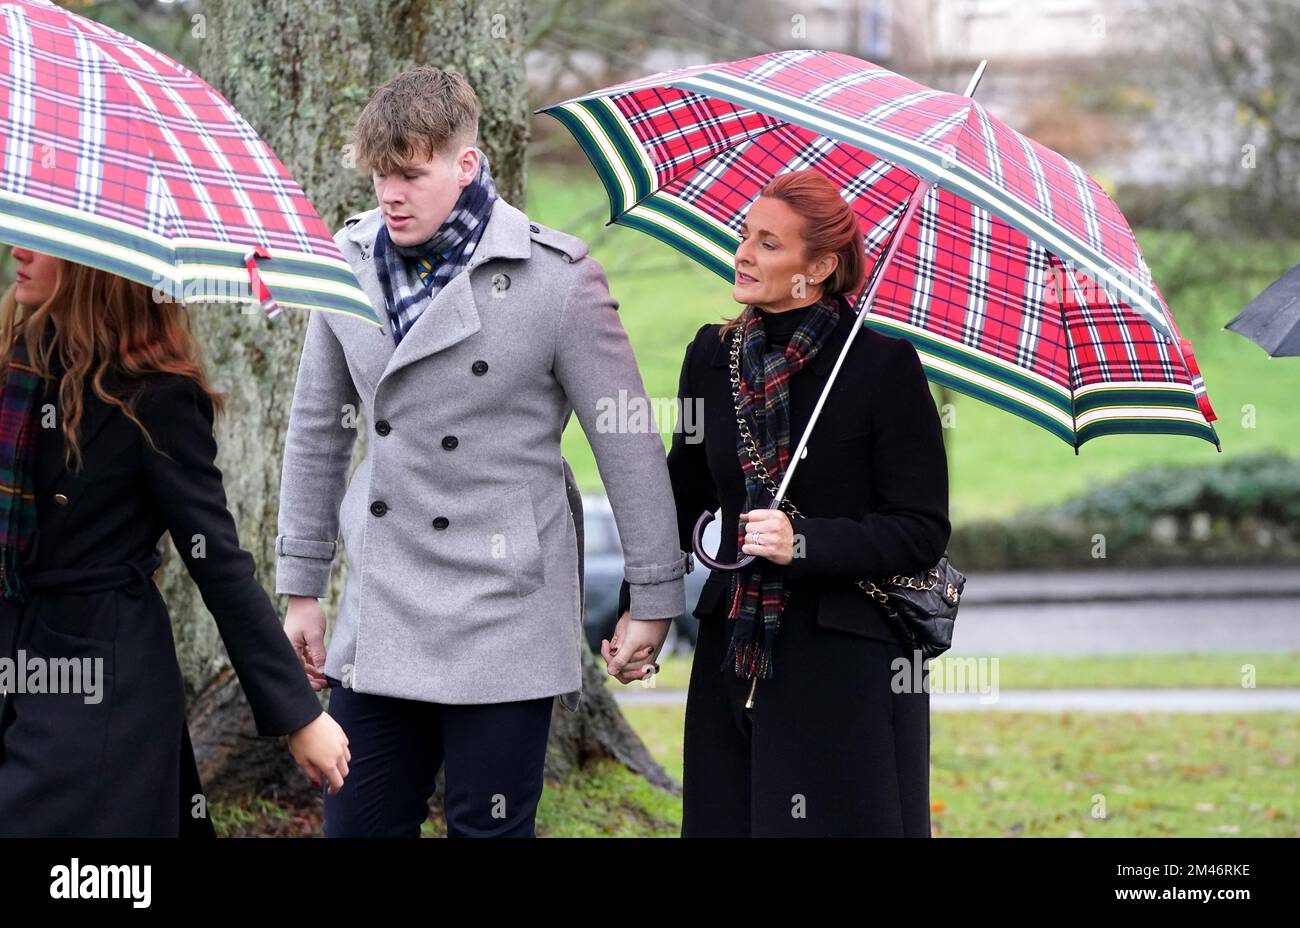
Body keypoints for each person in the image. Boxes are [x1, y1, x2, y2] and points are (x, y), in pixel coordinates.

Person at [274, 66, 687, 838]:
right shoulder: (345, 262)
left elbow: (626, 438)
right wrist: (302, 586)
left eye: (409, 174)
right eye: (379, 175)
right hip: (384, 605)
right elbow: (317, 431)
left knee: (488, 829)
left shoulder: (555, 279)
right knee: (357, 826)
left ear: (465, 166)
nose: (390, 194)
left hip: (504, 611)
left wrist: (654, 598)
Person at [606, 170, 951, 837]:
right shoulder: (712, 355)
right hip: (733, 649)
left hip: (845, 659)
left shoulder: (884, 367)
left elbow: (920, 529)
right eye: (745, 235)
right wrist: (640, 607)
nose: (742, 252)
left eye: (768, 243)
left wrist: (805, 542)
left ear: (819, 266)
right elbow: (683, 489)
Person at [0, 247, 350, 837]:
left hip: (99, 672)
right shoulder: (17, 366)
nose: (20, 249)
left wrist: (297, 714)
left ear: (96, 267)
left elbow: (218, 563)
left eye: (49, 244)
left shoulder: (156, 399)